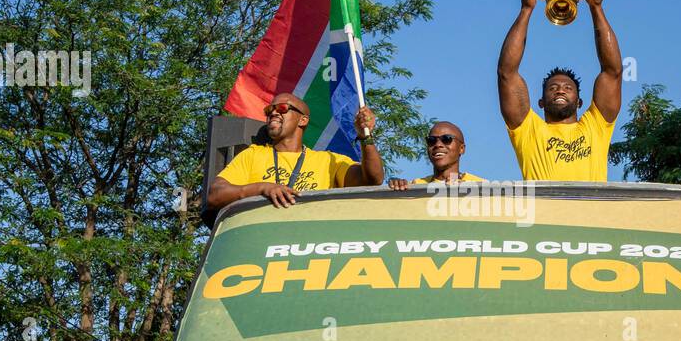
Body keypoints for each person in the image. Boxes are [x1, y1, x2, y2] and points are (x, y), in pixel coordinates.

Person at [497, 0, 623, 181]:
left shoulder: (595, 126)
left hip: (591, 213)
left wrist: (596, 8)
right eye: (552, 87)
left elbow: (613, 72)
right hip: (545, 213)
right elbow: (506, 73)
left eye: (568, 87)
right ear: (540, 102)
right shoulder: (529, 130)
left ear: (580, 102)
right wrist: (526, 10)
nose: (560, 90)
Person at [207, 93, 384, 210]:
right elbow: (215, 195)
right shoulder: (252, 155)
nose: (274, 112)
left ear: (303, 120)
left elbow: (372, 179)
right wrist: (263, 188)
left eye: (282, 108)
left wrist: (364, 137)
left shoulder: (327, 161)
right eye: (270, 110)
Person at [387, 121, 487, 190]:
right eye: (431, 140)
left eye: (446, 139)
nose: (438, 144)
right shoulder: (414, 186)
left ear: (461, 148)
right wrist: (395, 188)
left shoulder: (481, 185)